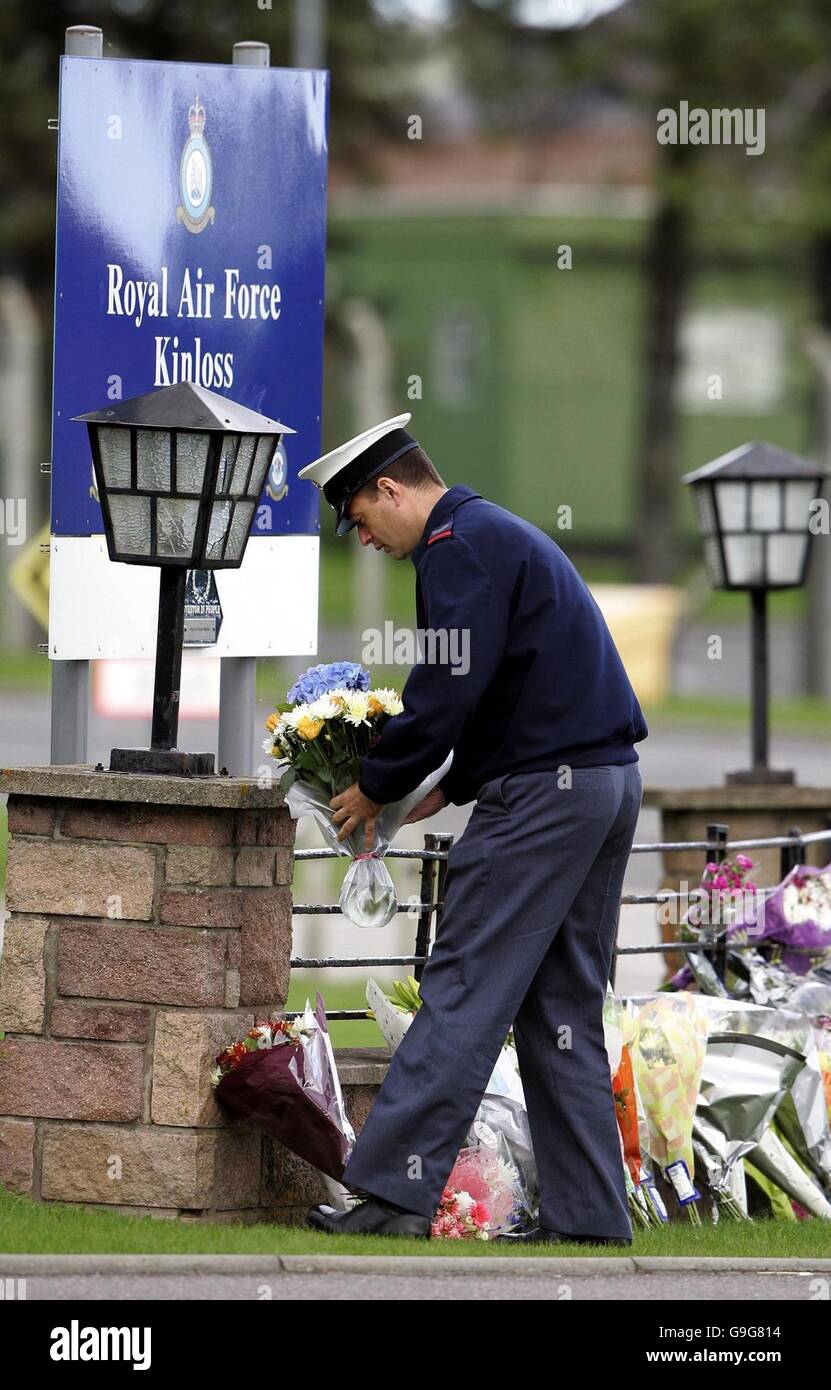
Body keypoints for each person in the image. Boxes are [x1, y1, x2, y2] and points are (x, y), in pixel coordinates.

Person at [296, 414, 647, 1243]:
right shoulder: (493, 534)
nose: (363, 539)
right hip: (601, 784)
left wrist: (374, 785)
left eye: (358, 518)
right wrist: (454, 785)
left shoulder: (457, 546)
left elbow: (446, 686)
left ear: (389, 488)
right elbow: (510, 685)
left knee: (460, 988)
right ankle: (589, 1219)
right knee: (558, 1005)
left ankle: (390, 1197)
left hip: (545, 804)